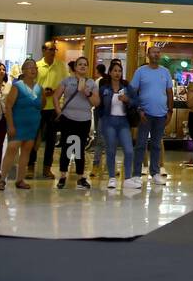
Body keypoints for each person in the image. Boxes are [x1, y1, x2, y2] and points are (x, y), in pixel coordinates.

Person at [53, 56, 99, 190]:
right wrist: (58, 111)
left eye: (85, 64)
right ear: (75, 67)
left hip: (84, 120)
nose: (83, 66)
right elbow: (56, 96)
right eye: (80, 64)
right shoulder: (67, 81)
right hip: (67, 118)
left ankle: (80, 177)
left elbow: (96, 103)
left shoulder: (91, 83)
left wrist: (86, 91)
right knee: (67, 147)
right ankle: (62, 176)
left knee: (79, 149)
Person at [0, 58, 43, 191]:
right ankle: (2, 179)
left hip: (33, 124)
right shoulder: (17, 86)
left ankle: (20, 179)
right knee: (12, 148)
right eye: (29, 67)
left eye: (35, 67)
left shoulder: (39, 88)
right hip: (18, 123)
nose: (33, 70)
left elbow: (41, 105)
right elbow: (8, 106)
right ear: (23, 71)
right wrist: (10, 125)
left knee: (27, 149)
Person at [131, 45, 174, 180]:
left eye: (158, 52)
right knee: (140, 144)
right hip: (145, 114)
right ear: (148, 55)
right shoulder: (140, 71)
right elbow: (133, 91)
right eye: (154, 52)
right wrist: (138, 109)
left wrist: (170, 111)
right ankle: (137, 174)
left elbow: (169, 92)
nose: (156, 54)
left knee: (156, 145)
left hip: (161, 114)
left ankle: (155, 172)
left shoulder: (165, 72)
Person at [29, 39, 69, 177]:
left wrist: (57, 91)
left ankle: (47, 167)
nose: (53, 52)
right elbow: (30, 84)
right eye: (50, 49)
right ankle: (30, 166)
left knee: (51, 140)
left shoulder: (61, 66)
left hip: (53, 108)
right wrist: (41, 93)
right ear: (43, 51)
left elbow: (66, 83)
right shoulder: (37, 66)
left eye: (54, 50)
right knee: (34, 138)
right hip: (38, 107)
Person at [98, 60, 140, 189]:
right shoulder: (104, 89)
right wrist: (101, 118)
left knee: (128, 150)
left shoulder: (126, 87)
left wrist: (128, 100)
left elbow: (137, 101)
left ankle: (127, 178)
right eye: (115, 71)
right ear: (110, 73)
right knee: (111, 150)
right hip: (109, 121)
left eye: (120, 71)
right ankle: (111, 177)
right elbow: (98, 104)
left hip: (123, 122)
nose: (117, 73)